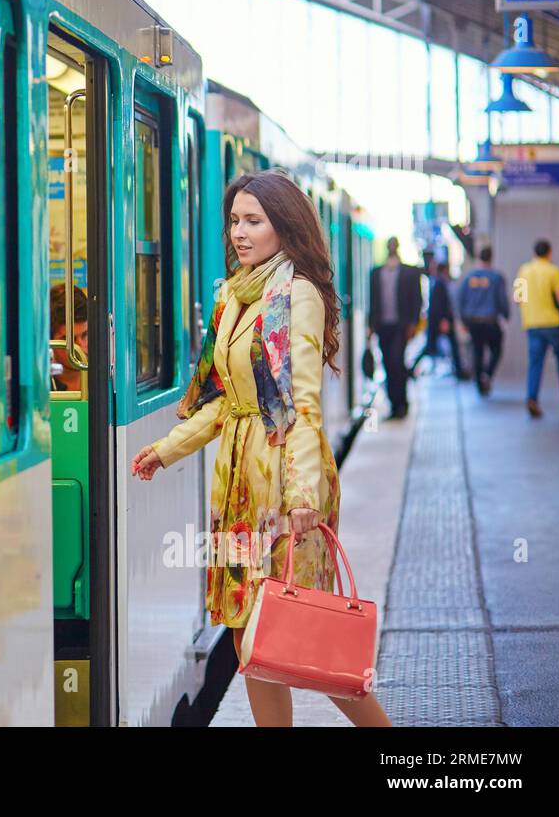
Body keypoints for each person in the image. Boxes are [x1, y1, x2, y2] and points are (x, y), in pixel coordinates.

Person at [130, 168, 391, 727]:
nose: (240, 233)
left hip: (282, 482)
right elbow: (228, 401)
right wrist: (168, 449)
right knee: (250, 641)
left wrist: (303, 494)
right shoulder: (233, 296)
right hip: (237, 488)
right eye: (234, 221)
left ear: (284, 227)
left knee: (307, 640)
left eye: (254, 221)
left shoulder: (296, 295)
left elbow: (300, 405)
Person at [367, 236, 425, 420]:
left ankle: (402, 403)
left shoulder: (410, 272)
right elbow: (373, 301)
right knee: (387, 364)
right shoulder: (376, 273)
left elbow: (418, 300)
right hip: (383, 326)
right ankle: (394, 404)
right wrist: (370, 326)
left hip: (401, 326)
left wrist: (413, 324)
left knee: (397, 361)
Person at [515, 239, 559, 418]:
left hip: (532, 323)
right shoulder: (553, 271)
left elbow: (517, 297)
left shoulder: (524, 270)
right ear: (549, 253)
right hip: (553, 324)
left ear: (534, 252)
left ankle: (532, 398)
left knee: (535, 364)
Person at [457, 246, 509, 396]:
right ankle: (487, 374)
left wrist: (463, 320)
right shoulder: (496, 277)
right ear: (491, 258)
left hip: (473, 322)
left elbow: (460, 299)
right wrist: (506, 315)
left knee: (477, 351)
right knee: (497, 350)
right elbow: (502, 299)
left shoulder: (469, 277)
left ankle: (479, 383)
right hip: (490, 321)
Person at [411, 259, 464, 379]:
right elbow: (440, 304)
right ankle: (459, 371)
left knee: (431, 346)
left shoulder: (436, 282)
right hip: (440, 321)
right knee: (436, 346)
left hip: (437, 320)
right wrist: (444, 320)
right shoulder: (439, 283)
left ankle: (412, 368)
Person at [49, 283, 88, 392]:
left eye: (85, 335)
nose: (80, 346)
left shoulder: (105, 380)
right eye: (69, 339)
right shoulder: (41, 387)